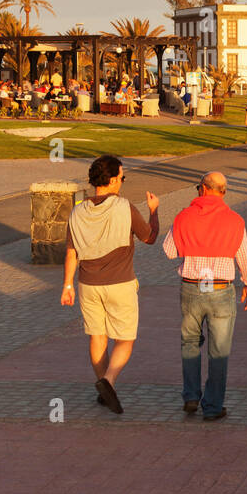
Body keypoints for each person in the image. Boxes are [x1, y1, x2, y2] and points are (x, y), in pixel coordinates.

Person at [61, 154, 159, 414]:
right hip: (120, 283)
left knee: (97, 336)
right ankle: (109, 381)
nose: (122, 182)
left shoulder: (78, 209)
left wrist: (67, 286)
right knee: (125, 339)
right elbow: (149, 238)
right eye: (122, 178)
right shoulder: (124, 207)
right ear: (114, 179)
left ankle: (104, 390)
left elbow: (71, 252)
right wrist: (154, 211)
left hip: (87, 284)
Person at [163, 171, 247, 420]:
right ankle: (213, 406)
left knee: (190, 342)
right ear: (223, 192)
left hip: (192, 287)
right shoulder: (235, 220)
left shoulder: (184, 216)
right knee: (219, 351)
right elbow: (244, 258)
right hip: (220, 290)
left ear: (203, 189)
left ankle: (191, 396)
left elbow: (169, 251)